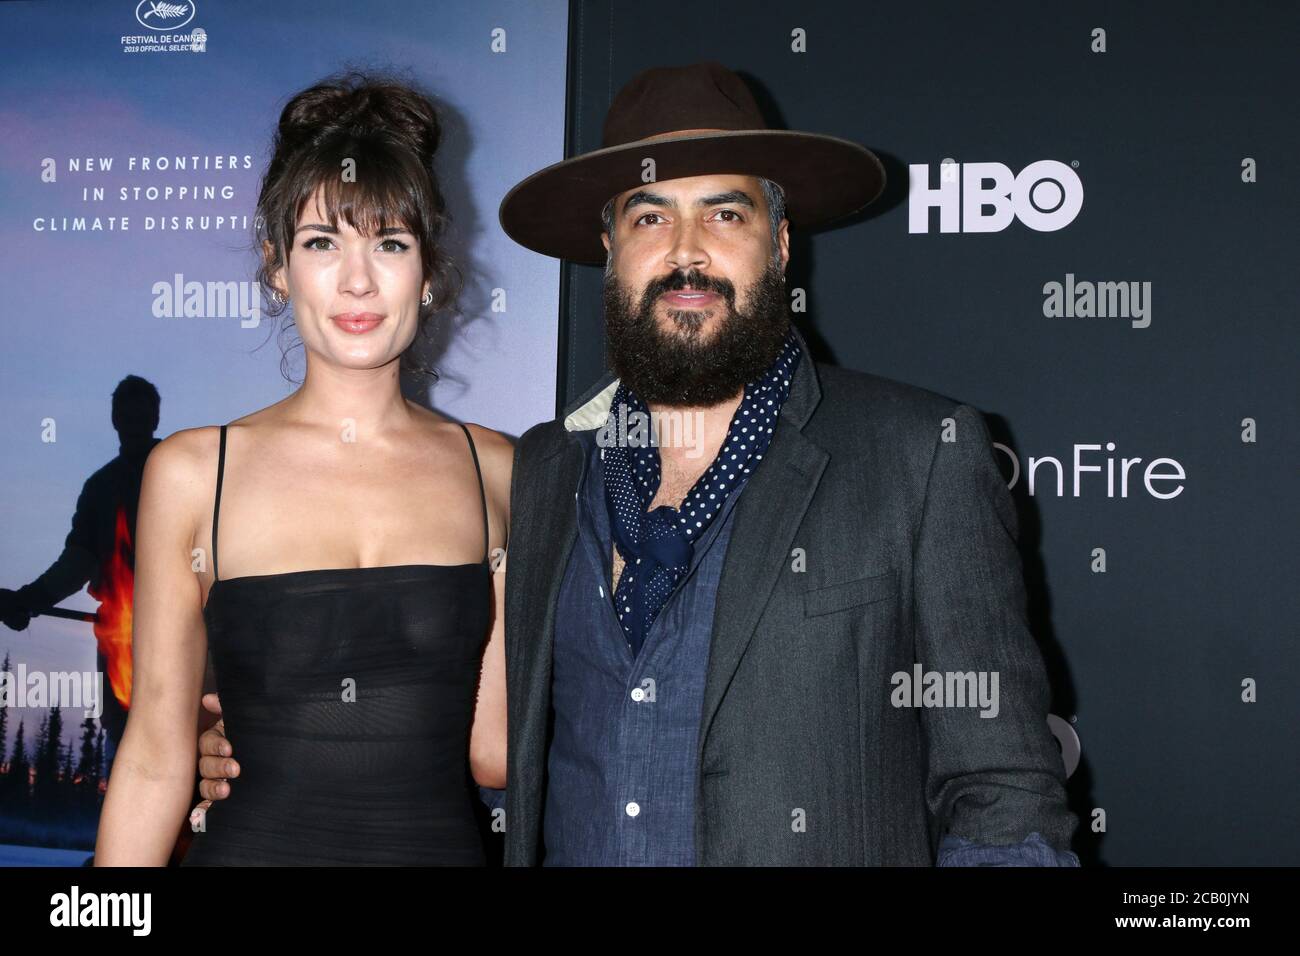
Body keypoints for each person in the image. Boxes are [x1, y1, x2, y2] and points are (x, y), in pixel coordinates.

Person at [202, 62, 1080, 867]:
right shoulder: (544, 471)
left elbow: (1003, 796)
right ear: (610, 249)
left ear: (779, 246)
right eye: (651, 216)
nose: (686, 250)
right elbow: (476, 738)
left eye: (725, 214)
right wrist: (275, 744)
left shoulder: (917, 457)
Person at [94, 71, 511, 866]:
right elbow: (152, 755)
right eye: (323, 243)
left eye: (390, 242)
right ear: (279, 266)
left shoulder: (497, 470)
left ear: (428, 272)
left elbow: (496, 749)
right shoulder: (192, 473)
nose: (358, 280)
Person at [0, 374, 163, 768]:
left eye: (142, 417)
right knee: (125, 746)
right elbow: (78, 561)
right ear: (115, 419)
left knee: (176, 735)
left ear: (155, 419)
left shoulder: (181, 470)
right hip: (119, 641)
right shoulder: (100, 489)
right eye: (127, 416)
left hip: (180, 635)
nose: (134, 425)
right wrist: (30, 600)